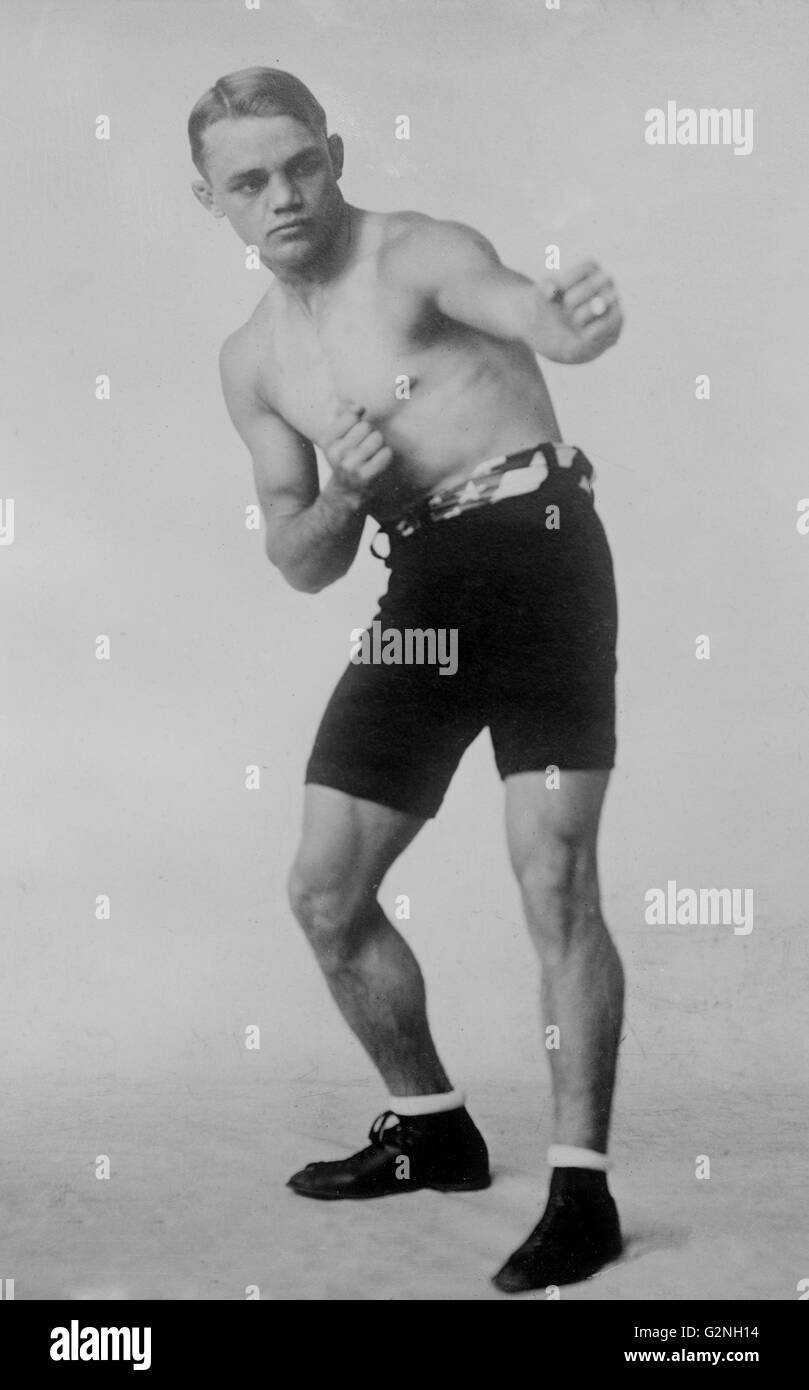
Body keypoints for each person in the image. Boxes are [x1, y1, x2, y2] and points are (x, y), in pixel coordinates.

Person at [190, 66, 625, 1293]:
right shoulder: (253, 359)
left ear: (332, 150)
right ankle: (431, 1131)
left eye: (299, 164)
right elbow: (297, 559)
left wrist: (561, 322)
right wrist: (339, 498)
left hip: (537, 552)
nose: (282, 195)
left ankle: (579, 1188)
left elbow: (519, 305)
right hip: (419, 585)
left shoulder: (416, 251)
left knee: (552, 877)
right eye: (249, 181)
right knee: (325, 894)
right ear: (209, 199)